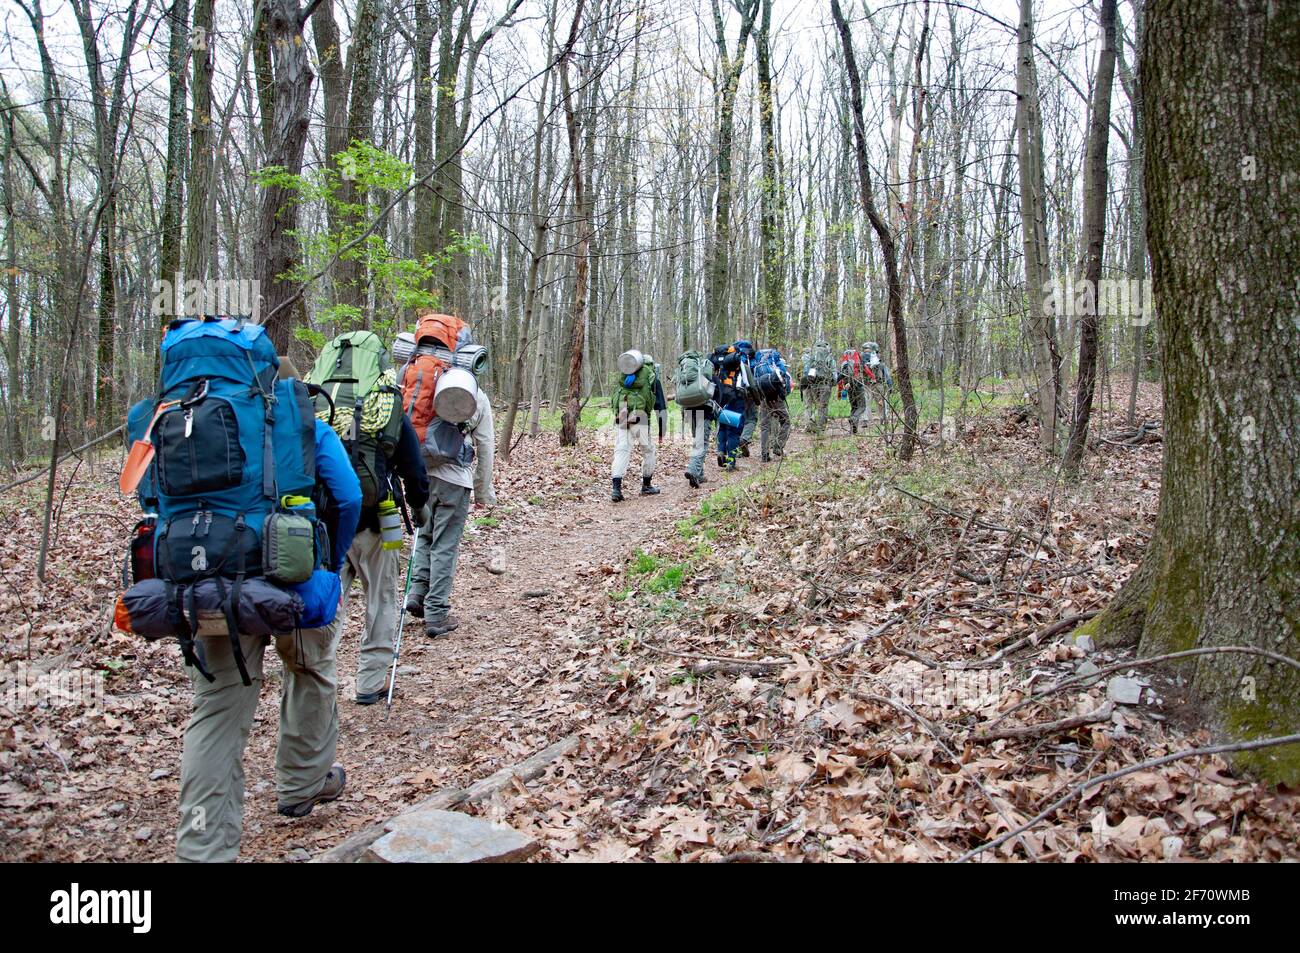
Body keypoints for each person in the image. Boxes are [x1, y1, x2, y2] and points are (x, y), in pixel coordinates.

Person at [173, 349, 362, 862]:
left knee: (215, 711)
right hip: (294, 578)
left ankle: (202, 848)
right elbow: (346, 496)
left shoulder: (181, 423)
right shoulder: (298, 422)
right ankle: (301, 785)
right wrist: (332, 561)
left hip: (209, 582)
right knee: (310, 670)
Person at [331, 382, 430, 706]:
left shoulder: (323, 402)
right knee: (382, 600)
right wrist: (419, 505)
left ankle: (319, 678)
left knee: (329, 602)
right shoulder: (387, 406)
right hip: (376, 520)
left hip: (329, 520)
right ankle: (370, 682)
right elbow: (413, 467)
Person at [609, 350, 665, 501]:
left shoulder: (625, 376)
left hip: (622, 415)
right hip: (640, 419)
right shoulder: (652, 378)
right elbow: (660, 406)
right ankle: (646, 486)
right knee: (648, 451)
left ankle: (616, 489)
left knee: (621, 451)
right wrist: (662, 430)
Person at [711, 343, 748, 470]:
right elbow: (748, 383)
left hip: (721, 398)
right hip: (736, 399)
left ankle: (721, 451)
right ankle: (731, 462)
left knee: (722, 427)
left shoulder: (720, 366)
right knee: (733, 431)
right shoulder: (739, 363)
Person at [752, 347, 793, 462]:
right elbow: (786, 386)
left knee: (765, 426)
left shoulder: (758, 366)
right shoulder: (777, 364)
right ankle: (778, 447)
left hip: (764, 398)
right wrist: (783, 394)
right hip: (776, 398)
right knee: (786, 421)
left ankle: (764, 454)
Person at [734, 339, 759, 458]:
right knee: (752, 419)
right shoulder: (753, 358)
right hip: (748, 393)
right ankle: (744, 439)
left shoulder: (733, 357)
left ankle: (736, 450)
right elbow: (755, 380)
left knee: (738, 420)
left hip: (733, 393)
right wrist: (757, 398)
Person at [804, 340, 835, 434]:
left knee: (818, 405)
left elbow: (806, 370)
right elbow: (834, 372)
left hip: (814, 385)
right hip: (825, 384)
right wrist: (833, 382)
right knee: (823, 406)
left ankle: (812, 423)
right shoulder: (829, 358)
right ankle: (820, 427)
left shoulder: (812, 357)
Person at [838, 347, 870, 435]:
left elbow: (840, 377)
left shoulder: (843, 363)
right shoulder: (858, 361)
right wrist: (872, 378)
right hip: (858, 386)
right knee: (862, 406)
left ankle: (853, 429)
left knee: (854, 406)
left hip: (848, 387)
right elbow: (867, 371)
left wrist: (840, 391)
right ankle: (854, 418)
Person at [860, 341, 893, 424]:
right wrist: (890, 385)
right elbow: (887, 375)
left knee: (866, 402)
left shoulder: (862, 361)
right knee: (881, 402)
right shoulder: (880, 363)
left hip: (866, 385)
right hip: (879, 384)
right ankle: (883, 418)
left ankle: (865, 420)